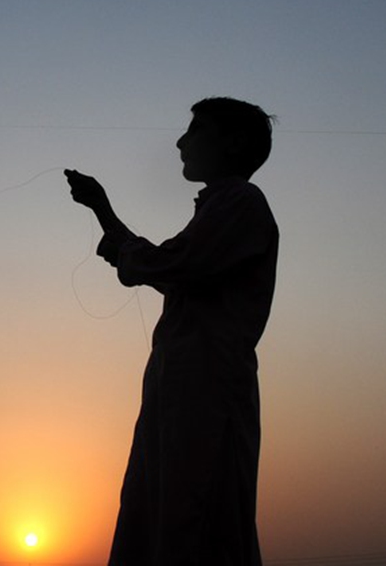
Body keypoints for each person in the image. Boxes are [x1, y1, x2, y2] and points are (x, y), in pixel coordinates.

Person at [65, 97, 278, 566]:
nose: (181, 142)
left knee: (196, 519)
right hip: (180, 391)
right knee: (158, 512)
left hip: (209, 391)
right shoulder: (220, 209)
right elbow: (172, 269)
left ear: (234, 143)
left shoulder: (242, 203)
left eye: (196, 129)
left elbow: (173, 263)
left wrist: (110, 223)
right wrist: (103, 212)